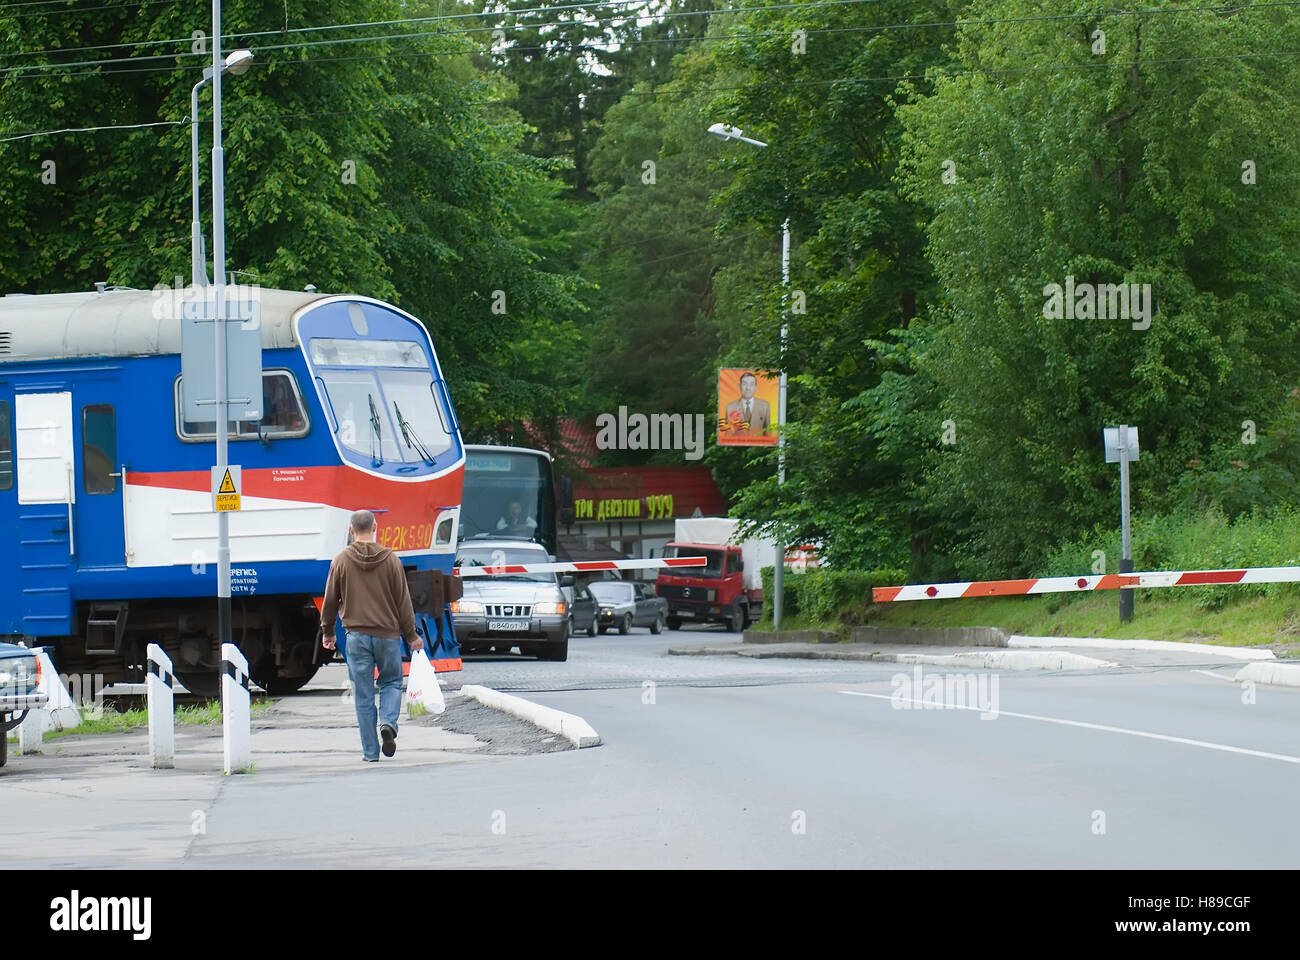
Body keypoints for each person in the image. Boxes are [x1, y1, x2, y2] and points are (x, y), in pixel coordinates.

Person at [320, 509, 422, 762]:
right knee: (391, 683)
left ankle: (370, 753)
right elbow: (403, 602)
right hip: (387, 635)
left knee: (363, 694)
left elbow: (330, 600)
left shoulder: (340, 561)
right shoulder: (391, 560)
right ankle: (388, 723)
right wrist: (411, 635)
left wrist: (328, 631)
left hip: (356, 636)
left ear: (351, 531)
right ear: (375, 526)